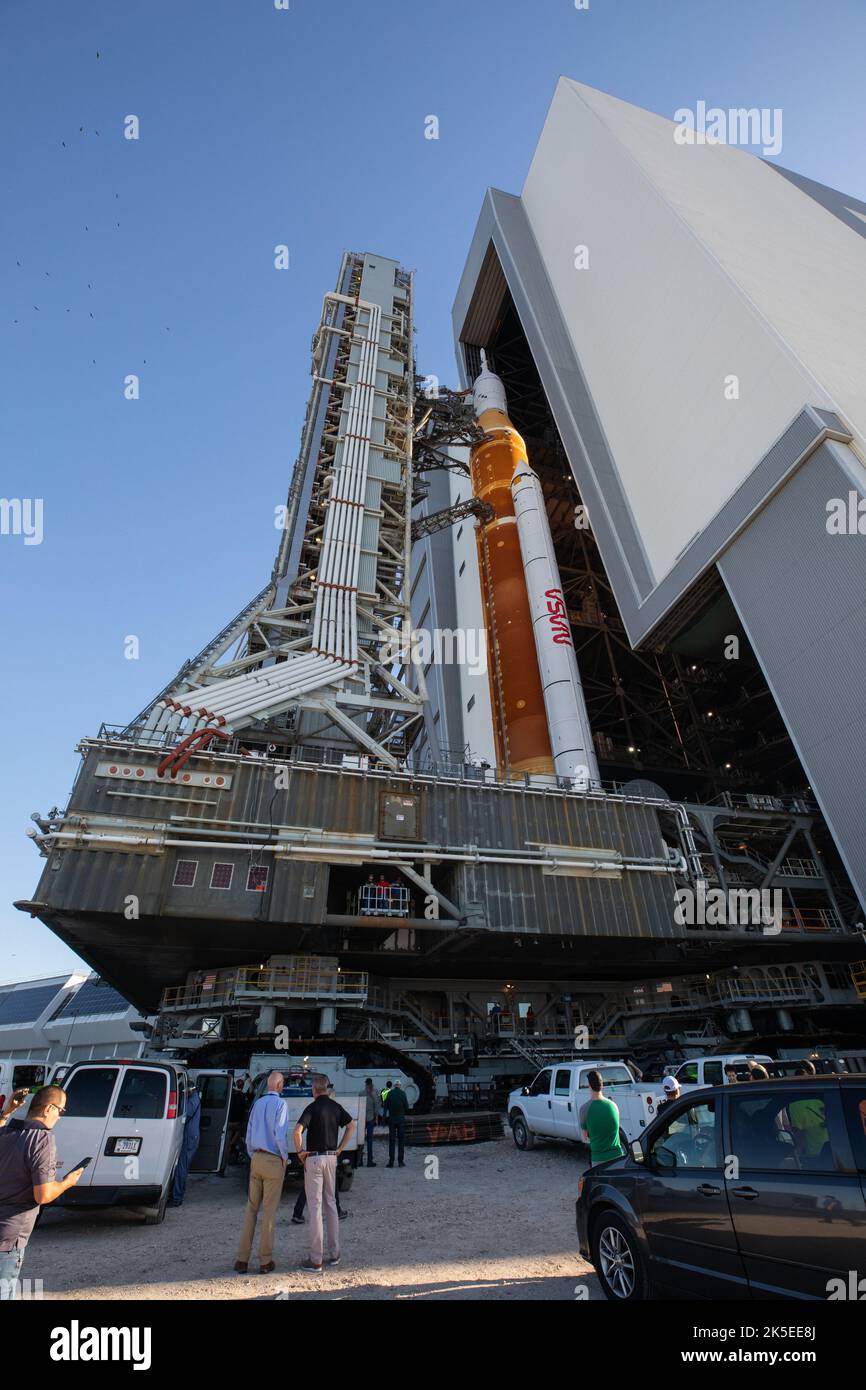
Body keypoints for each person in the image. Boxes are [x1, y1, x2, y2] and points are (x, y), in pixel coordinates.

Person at [0, 1086, 84, 1298]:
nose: (60, 1116)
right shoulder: (42, 1140)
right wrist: (67, 1182)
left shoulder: (8, 1130)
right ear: (49, 1109)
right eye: (61, 1111)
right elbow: (43, 1195)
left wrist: (7, 1111)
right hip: (8, 1238)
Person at [293, 1074, 355, 1273]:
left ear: (314, 1090)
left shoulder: (311, 1108)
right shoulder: (336, 1107)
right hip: (331, 1158)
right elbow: (351, 1124)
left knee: (315, 1209)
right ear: (327, 1089)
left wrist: (300, 1152)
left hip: (314, 1158)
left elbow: (297, 1131)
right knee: (331, 1205)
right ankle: (335, 1254)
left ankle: (316, 1259)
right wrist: (340, 1148)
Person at [235, 1071, 288, 1275]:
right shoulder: (281, 1105)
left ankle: (242, 1259)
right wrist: (284, 1157)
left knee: (251, 1210)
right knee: (269, 1212)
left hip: (256, 1157)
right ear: (280, 1085)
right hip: (273, 1159)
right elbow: (279, 1134)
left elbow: (249, 1133)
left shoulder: (257, 1104)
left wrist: (252, 1154)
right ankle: (265, 1261)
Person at [579, 1071, 624, 1165]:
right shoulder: (614, 1105)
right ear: (602, 1085)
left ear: (589, 1086)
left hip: (598, 1160)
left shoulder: (584, 1109)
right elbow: (616, 1128)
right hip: (618, 1157)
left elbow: (585, 1138)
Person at [170, 1078, 202, 1206]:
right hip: (191, 1137)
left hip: (189, 1138)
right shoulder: (193, 1098)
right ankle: (178, 1193)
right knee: (183, 1167)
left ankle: (177, 1198)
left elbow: (185, 1115)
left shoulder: (192, 1100)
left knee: (181, 1168)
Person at [384, 1079, 409, 1168]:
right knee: (401, 1141)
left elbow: (385, 1107)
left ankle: (391, 1162)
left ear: (394, 1085)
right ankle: (400, 1162)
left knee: (392, 1140)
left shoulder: (389, 1093)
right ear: (400, 1085)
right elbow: (407, 1107)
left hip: (392, 1120)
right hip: (401, 1120)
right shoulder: (403, 1093)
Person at [362, 1077, 379, 1167]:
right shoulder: (374, 1093)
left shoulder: (361, 1093)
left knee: (360, 1141)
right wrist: (376, 1117)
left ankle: (359, 1161)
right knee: (370, 1141)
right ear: (371, 1083)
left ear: (365, 1084)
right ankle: (369, 1161)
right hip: (370, 1119)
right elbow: (376, 1107)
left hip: (362, 1119)